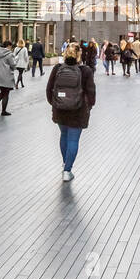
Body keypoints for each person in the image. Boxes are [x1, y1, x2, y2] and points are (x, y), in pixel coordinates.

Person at [46, 41, 96, 182]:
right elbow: (91, 92)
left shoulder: (57, 68)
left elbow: (49, 88)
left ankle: (65, 163)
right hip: (78, 110)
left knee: (64, 135)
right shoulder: (85, 71)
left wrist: (54, 103)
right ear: (80, 54)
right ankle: (67, 171)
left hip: (60, 109)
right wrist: (88, 106)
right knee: (73, 139)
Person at [0, 39, 16, 116]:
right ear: (8, 46)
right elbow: (13, 65)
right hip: (6, 76)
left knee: (2, 92)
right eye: (11, 47)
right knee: (6, 93)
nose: (11, 48)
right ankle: (3, 111)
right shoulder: (9, 54)